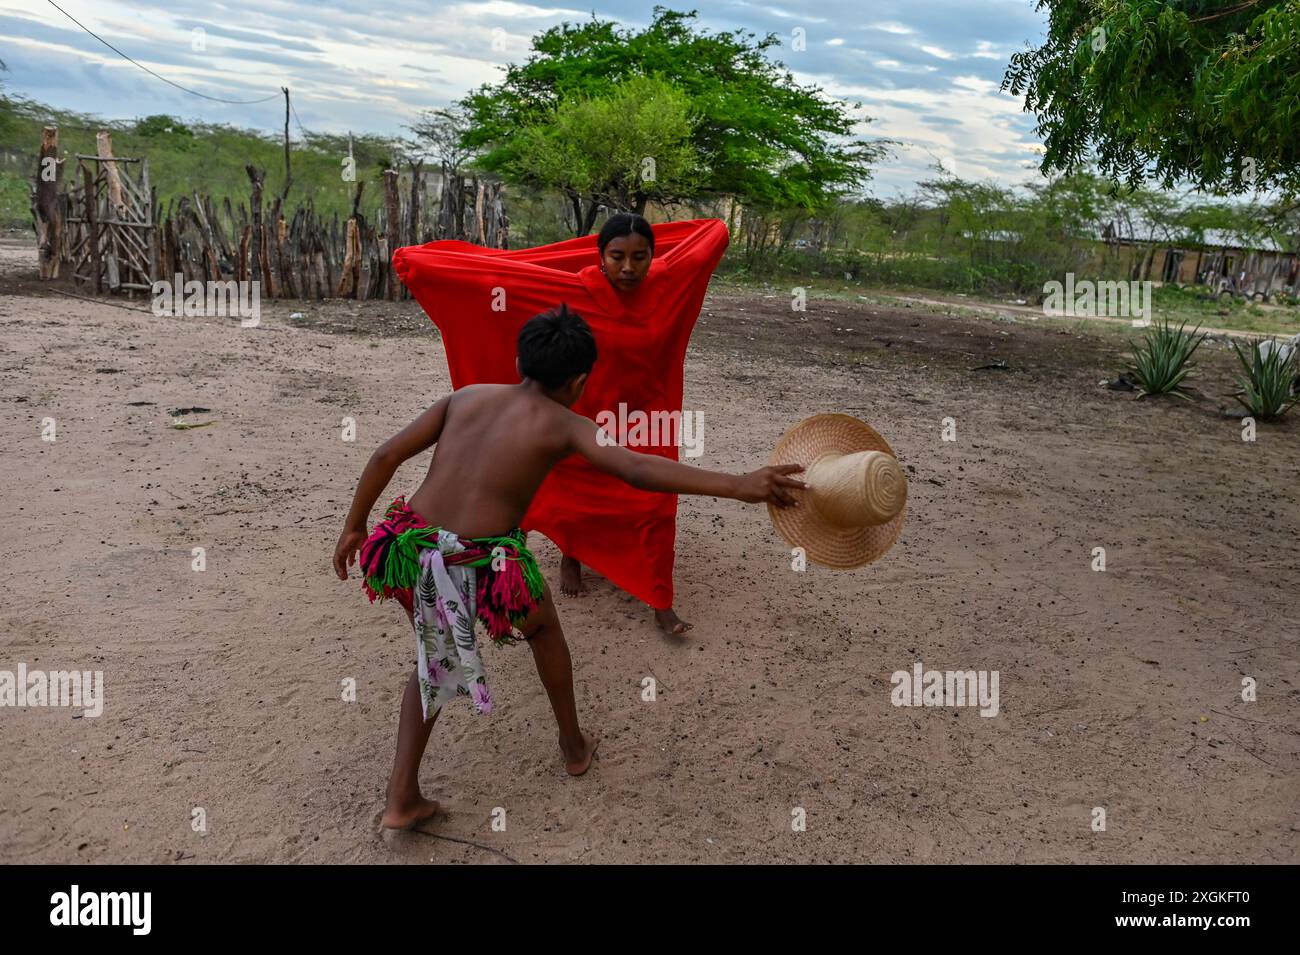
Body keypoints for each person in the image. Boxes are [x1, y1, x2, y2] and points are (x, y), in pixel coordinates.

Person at [332, 304, 806, 830]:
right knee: (525, 634)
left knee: (440, 658)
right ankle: (568, 747)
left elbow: (383, 456)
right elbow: (636, 468)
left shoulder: (465, 397)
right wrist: (737, 484)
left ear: (519, 361)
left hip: (405, 548)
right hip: (476, 560)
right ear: (580, 380)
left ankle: (415, 795)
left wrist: (354, 527)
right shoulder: (565, 424)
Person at [393, 214, 729, 637]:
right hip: (586, 413)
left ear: (653, 256)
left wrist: (680, 245)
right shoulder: (574, 293)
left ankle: (661, 600)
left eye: (640, 256)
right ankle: (572, 553)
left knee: (656, 506)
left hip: (648, 418)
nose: (628, 267)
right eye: (617, 256)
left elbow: (717, 231)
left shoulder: (670, 284)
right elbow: (500, 288)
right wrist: (424, 268)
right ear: (600, 257)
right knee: (572, 493)